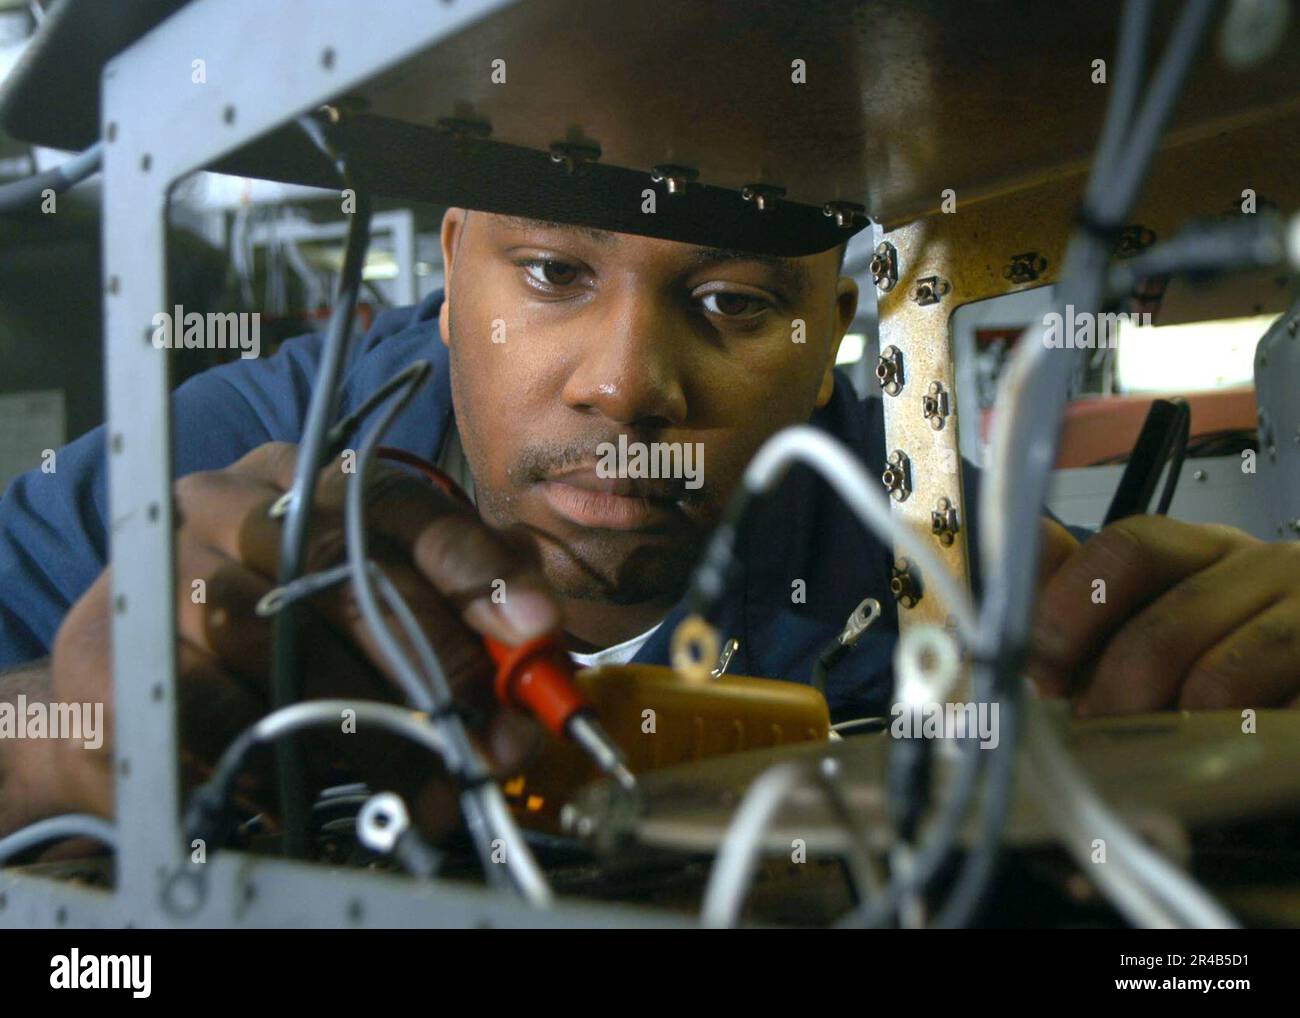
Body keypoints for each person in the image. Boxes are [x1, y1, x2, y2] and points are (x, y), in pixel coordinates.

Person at [1, 209, 1297, 839]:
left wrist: (1213, 687)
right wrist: (54, 757)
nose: (624, 384)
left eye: (734, 299)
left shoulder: (908, 522)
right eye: (555, 274)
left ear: (831, 334)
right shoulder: (216, 456)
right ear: (450, 275)